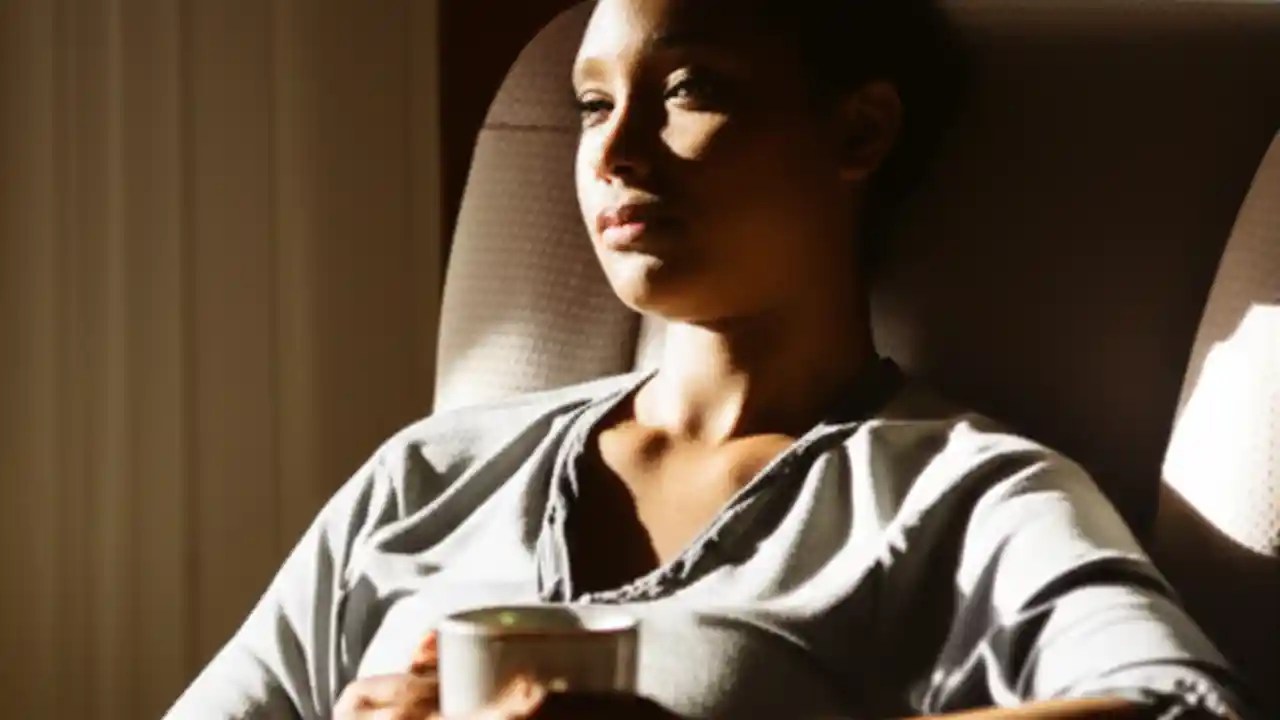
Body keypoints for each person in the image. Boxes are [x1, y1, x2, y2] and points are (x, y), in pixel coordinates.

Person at [165, 0, 1259, 718]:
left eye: (689, 89)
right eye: (593, 103)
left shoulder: (949, 498)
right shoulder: (429, 476)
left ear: (856, 135)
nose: (613, 151)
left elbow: (1179, 705)